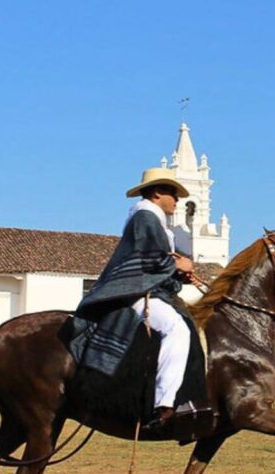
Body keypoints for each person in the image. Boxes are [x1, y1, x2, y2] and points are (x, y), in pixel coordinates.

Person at [74, 167, 196, 432]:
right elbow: (149, 259)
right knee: (177, 328)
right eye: (173, 193)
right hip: (136, 294)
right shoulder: (146, 217)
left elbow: (154, 260)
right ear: (157, 193)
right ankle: (164, 405)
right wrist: (179, 265)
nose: (177, 199)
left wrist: (177, 273)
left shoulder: (152, 219)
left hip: (147, 290)